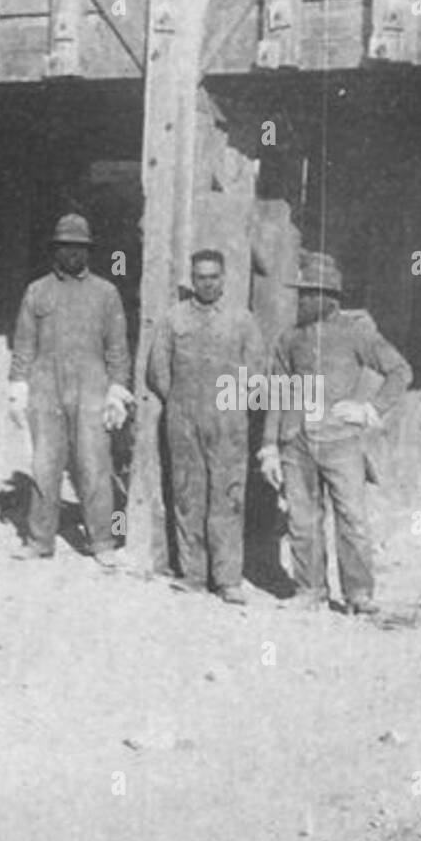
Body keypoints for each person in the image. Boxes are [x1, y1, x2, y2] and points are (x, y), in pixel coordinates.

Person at [258, 251, 410, 614]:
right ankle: (309, 590)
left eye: (311, 293)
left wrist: (369, 410)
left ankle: (358, 594)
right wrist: (268, 447)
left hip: (341, 442)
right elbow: (277, 393)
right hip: (296, 441)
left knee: (352, 518)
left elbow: (400, 371)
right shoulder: (289, 339)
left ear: (330, 296)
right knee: (301, 519)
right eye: (301, 293)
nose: (303, 300)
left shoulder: (357, 333)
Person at [8, 212, 132, 568]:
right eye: (66, 247)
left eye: (79, 248)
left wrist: (117, 390)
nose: (73, 254)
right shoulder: (37, 291)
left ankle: (103, 541)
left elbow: (118, 350)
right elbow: (24, 345)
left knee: (94, 464)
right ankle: (39, 540)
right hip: (46, 387)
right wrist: (18, 386)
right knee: (44, 464)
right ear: (55, 250)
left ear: (89, 252)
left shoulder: (107, 293)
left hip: (92, 387)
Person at [147, 249, 265, 603]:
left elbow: (256, 371)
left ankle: (228, 579)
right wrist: (182, 402)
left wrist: (230, 404)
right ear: (192, 278)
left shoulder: (241, 320)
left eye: (214, 277)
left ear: (224, 279)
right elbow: (157, 371)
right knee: (187, 495)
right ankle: (194, 574)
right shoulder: (174, 318)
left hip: (227, 420)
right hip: (183, 418)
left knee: (227, 497)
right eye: (201, 277)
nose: (207, 283)